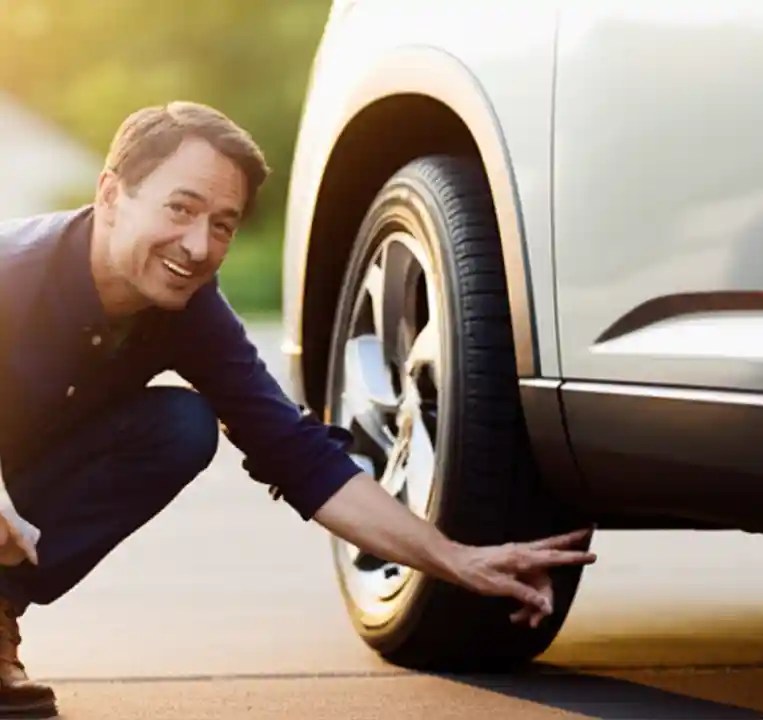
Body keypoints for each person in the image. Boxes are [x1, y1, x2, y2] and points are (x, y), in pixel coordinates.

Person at [0, 101, 596, 718]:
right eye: (180, 208)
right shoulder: (12, 270)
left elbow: (301, 456)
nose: (199, 247)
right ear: (112, 194)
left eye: (224, 225)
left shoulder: (189, 312)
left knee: (180, 426)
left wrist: (457, 560)